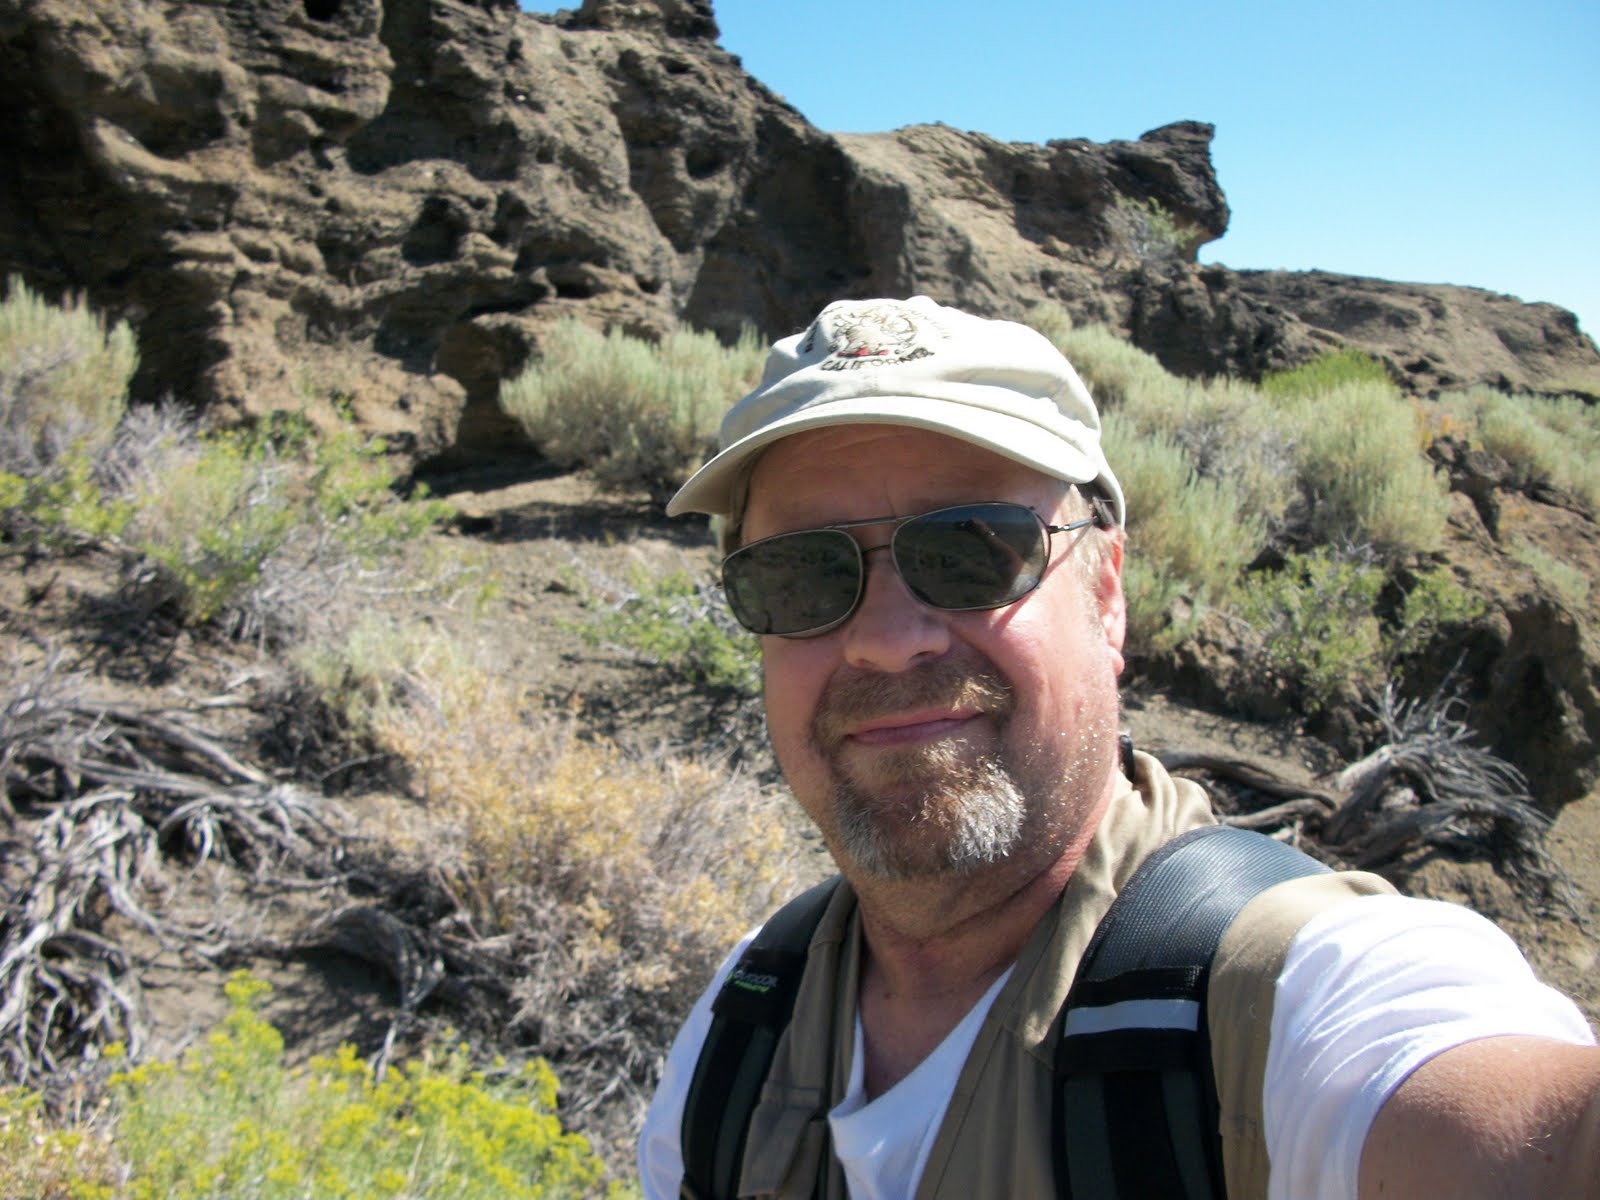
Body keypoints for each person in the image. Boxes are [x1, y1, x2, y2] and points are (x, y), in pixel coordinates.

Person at [638, 296, 1599, 1198]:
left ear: (1106, 598)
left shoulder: (1280, 996)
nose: (887, 639)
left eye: (971, 550)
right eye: (802, 574)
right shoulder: (747, 1017)